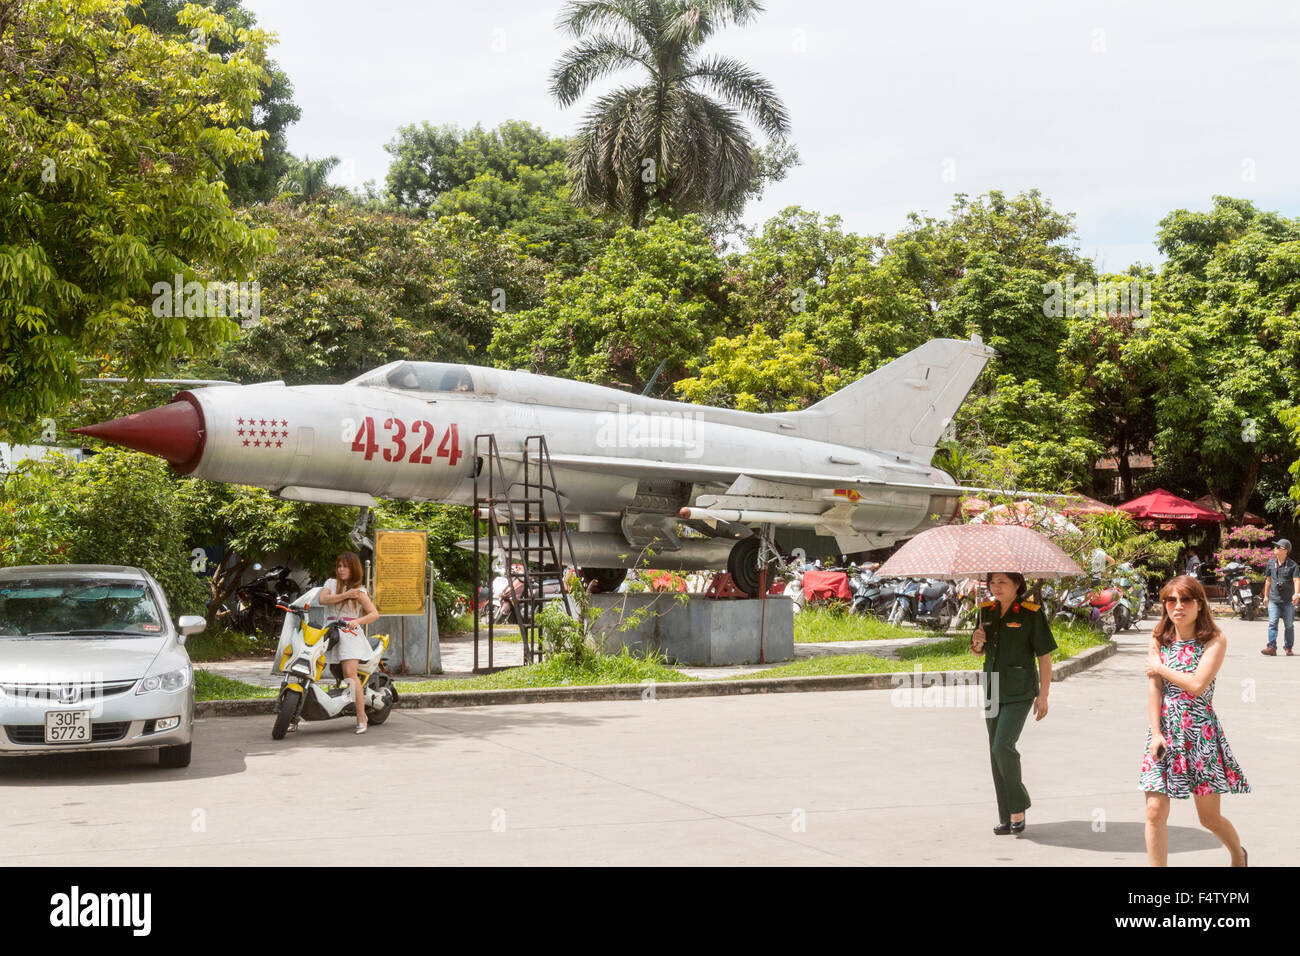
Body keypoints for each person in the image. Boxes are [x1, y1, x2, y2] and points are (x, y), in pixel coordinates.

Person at [1140, 574, 1249, 866]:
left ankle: (1238, 854)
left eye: (1185, 599)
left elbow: (1198, 684)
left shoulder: (1214, 639)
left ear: (1200, 604)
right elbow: (1154, 688)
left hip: (1200, 733)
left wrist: (1160, 667)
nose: (1178, 606)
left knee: (1209, 818)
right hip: (1164, 729)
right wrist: (1155, 732)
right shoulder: (1159, 637)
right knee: (1154, 810)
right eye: (1171, 600)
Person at [970, 572, 1056, 835]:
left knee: (1003, 745)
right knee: (994, 752)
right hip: (992, 688)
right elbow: (978, 650)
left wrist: (1043, 695)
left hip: (1020, 689)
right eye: (992, 582)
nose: (996, 587)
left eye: (1002, 582)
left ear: (1017, 585)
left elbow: (1044, 656)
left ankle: (1018, 805)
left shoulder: (1031, 613)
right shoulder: (986, 611)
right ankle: (1006, 817)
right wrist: (976, 642)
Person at [316, 552, 380, 733]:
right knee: (310, 669)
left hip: (349, 631)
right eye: (339, 566)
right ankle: (294, 714)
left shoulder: (359, 590)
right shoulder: (330, 583)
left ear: (354, 569)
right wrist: (346, 595)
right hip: (329, 631)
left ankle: (361, 716)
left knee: (350, 674)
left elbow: (374, 614)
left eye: (346, 566)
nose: (341, 569)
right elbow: (323, 600)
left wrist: (357, 621)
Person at [1260, 538, 1299, 656]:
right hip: (1273, 599)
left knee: (1289, 625)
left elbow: (1297, 580)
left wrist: (1296, 594)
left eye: (1278, 547)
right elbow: (1268, 581)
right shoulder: (1271, 563)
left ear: (1285, 550)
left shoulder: (1293, 565)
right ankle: (1271, 647)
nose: (1275, 549)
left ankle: (1288, 647)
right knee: (1272, 622)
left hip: (1288, 601)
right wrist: (1265, 596)